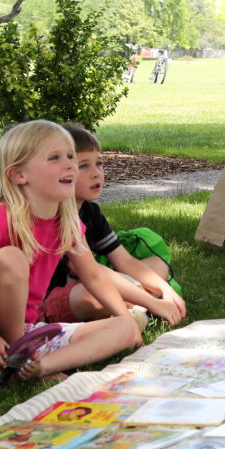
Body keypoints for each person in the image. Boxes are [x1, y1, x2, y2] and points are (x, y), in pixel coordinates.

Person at [0, 120, 141, 383]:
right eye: (55, 158)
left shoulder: (67, 223)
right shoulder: (1, 218)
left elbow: (94, 277)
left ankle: (39, 367)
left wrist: (128, 322)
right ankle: (19, 358)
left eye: (70, 156)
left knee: (124, 326)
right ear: (19, 175)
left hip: (27, 333)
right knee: (11, 258)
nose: (69, 164)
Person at [41, 124, 186, 327]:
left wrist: (164, 288)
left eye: (99, 163)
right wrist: (151, 299)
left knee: (157, 264)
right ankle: (136, 304)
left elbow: (124, 261)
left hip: (95, 279)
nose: (96, 173)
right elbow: (90, 272)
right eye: (84, 166)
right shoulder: (52, 215)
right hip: (56, 297)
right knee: (90, 295)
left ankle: (132, 303)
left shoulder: (91, 212)